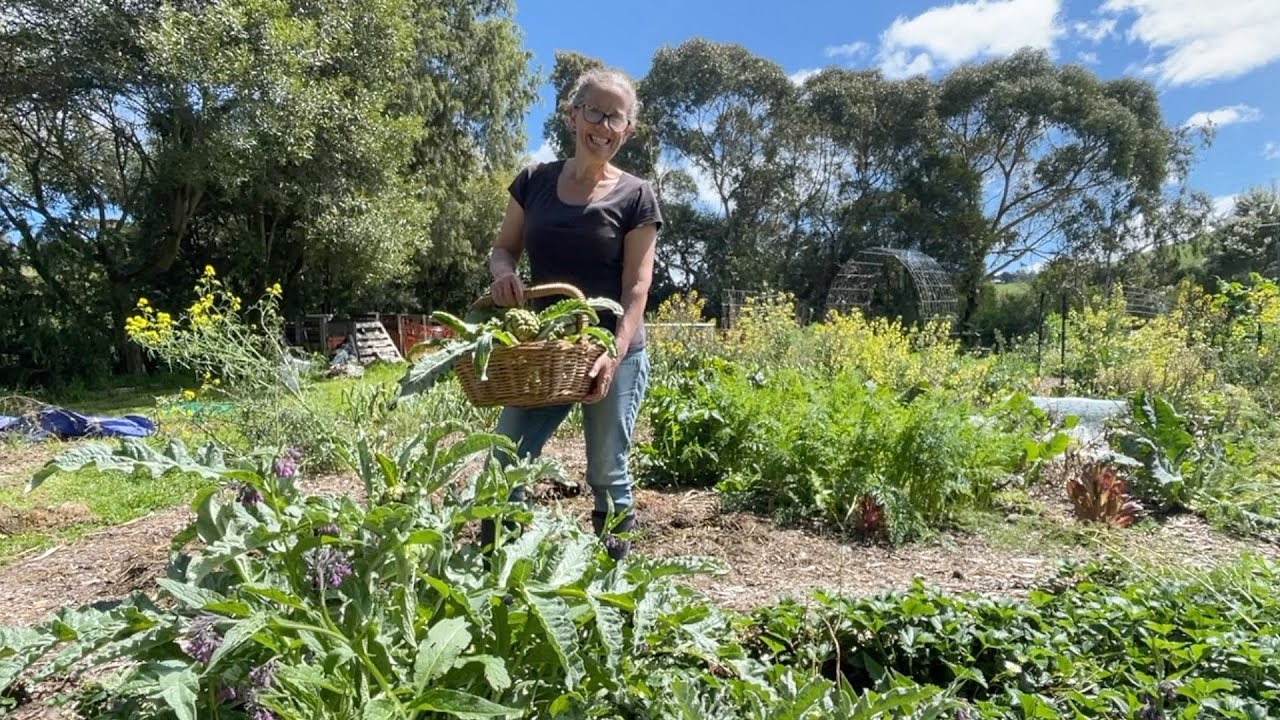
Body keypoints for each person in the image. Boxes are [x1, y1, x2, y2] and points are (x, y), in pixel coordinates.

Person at [480, 67, 662, 561]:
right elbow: (503, 248)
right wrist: (503, 275)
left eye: (615, 117)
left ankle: (611, 576)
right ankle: (498, 572)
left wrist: (611, 351)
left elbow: (637, 286)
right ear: (572, 114)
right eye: (594, 111)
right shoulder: (535, 181)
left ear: (628, 130)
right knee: (506, 458)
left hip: (613, 350)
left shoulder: (636, 195)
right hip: (546, 352)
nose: (603, 125)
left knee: (607, 469)